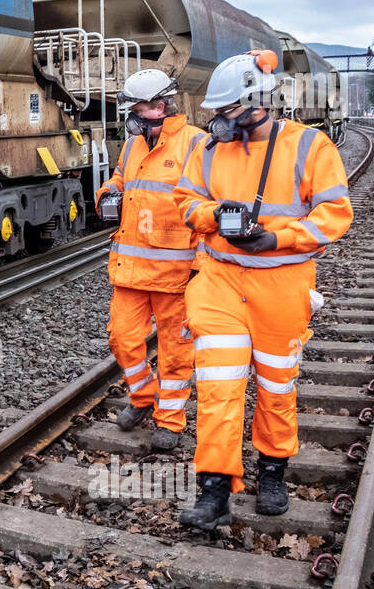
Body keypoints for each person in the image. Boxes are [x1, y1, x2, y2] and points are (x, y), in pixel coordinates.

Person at [173, 50, 353, 529]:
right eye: (215, 112)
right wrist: (214, 217)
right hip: (220, 281)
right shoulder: (207, 149)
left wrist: (277, 238)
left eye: (226, 111)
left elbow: (334, 215)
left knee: (276, 386)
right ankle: (214, 489)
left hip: (283, 284)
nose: (218, 121)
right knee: (217, 389)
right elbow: (186, 200)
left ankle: (273, 471)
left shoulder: (311, 147)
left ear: (258, 103)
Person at [95, 69, 206, 452]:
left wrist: (201, 268)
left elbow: (208, 208)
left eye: (135, 108)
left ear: (159, 107)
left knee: (176, 352)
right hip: (131, 269)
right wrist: (107, 195)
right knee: (121, 338)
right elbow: (119, 181)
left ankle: (170, 420)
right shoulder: (133, 147)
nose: (131, 115)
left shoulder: (196, 145)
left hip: (178, 274)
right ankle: (143, 398)